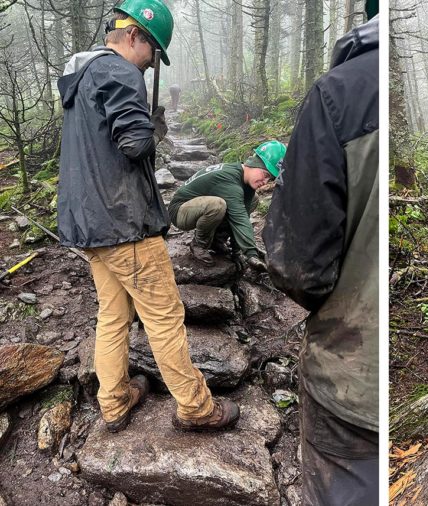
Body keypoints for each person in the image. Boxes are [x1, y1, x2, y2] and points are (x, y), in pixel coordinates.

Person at [56, 0, 239, 433]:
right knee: (164, 316)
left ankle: (115, 401)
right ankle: (196, 407)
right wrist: (151, 126)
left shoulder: (83, 75)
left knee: (114, 316)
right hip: (125, 224)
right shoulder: (120, 71)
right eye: (153, 53)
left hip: (91, 225)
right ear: (135, 35)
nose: (153, 65)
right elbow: (135, 144)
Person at [262, 12, 379, 506]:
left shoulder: (337, 94)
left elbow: (300, 268)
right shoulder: (223, 187)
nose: (266, 185)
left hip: (347, 379)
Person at [168, 141, 286, 267]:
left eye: (270, 179)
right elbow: (239, 218)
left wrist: (236, 251)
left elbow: (243, 216)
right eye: (265, 175)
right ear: (254, 164)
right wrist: (251, 254)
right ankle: (199, 244)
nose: (265, 182)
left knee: (253, 200)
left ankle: (217, 241)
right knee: (217, 205)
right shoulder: (230, 181)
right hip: (180, 210)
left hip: (198, 207)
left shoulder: (245, 180)